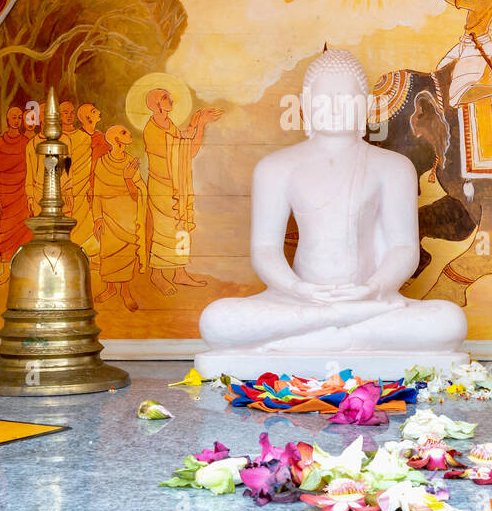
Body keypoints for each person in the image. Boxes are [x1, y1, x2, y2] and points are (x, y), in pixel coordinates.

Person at [195, 48, 467, 379]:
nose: (336, 109)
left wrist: (372, 289)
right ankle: (338, 329)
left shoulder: (394, 168)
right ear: (307, 104)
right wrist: (298, 291)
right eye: (325, 99)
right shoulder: (276, 168)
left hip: (370, 300)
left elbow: (403, 249)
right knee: (216, 320)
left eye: (347, 99)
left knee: (449, 321)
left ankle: (308, 337)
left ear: (365, 105)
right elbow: (265, 250)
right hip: (297, 301)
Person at [142, 88, 222, 295]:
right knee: (163, 231)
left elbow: (188, 151)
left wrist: (200, 125)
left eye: (169, 96)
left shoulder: (170, 126)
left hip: (177, 187)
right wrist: (194, 125)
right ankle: (157, 275)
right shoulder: (151, 129)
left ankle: (180, 272)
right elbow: (178, 150)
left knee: (181, 228)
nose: (171, 100)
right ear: (156, 104)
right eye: (165, 98)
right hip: (161, 187)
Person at [92, 125, 147, 311]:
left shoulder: (131, 162)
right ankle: (110, 289)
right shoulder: (101, 163)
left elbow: (139, 194)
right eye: (123, 133)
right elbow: (97, 193)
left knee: (126, 255)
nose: (129, 134)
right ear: (115, 139)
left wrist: (128, 179)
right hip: (108, 217)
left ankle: (125, 292)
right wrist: (98, 218)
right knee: (108, 254)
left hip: (127, 218)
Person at [0, 106, 33, 284]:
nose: (16, 120)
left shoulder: (27, 142)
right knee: (5, 233)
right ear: (7, 120)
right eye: (13, 117)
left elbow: (32, 168)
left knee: (26, 232)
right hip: (7, 195)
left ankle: (26, 270)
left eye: (19, 117)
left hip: (23, 193)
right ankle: (6, 271)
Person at [60, 100, 98, 255]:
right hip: (65, 189)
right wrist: (65, 188)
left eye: (71, 112)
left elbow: (89, 165)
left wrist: (90, 186)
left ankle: (86, 255)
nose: (69, 116)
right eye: (65, 112)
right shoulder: (57, 139)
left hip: (83, 189)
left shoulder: (84, 137)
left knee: (86, 222)